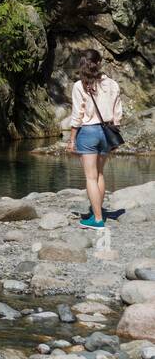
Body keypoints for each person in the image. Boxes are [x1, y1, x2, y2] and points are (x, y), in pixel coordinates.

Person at [70, 48, 123, 230]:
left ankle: (97, 220)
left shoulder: (79, 86)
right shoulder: (113, 84)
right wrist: (114, 131)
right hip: (107, 131)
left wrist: (71, 140)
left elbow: (77, 115)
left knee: (90, 177)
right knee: (100, 174)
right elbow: (118, 114)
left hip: (88, 132)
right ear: (99, 63)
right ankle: (97, 212)